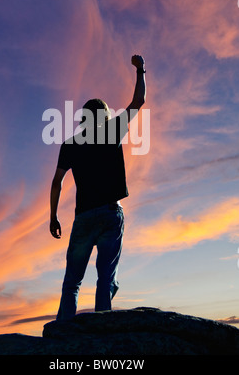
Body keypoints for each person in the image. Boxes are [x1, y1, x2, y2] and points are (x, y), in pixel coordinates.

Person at [49, 54, 146, 320]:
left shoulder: (70, 144)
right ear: (104, 116)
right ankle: (103, 333)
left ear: (83, 119)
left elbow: (57, 182)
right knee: (105, 278)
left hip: (83, 218)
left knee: (72, 282)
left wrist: (53, 216)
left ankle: (63, 333)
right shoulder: (112, 130)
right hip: (109, 214)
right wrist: (140, 71)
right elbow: (139, 101)